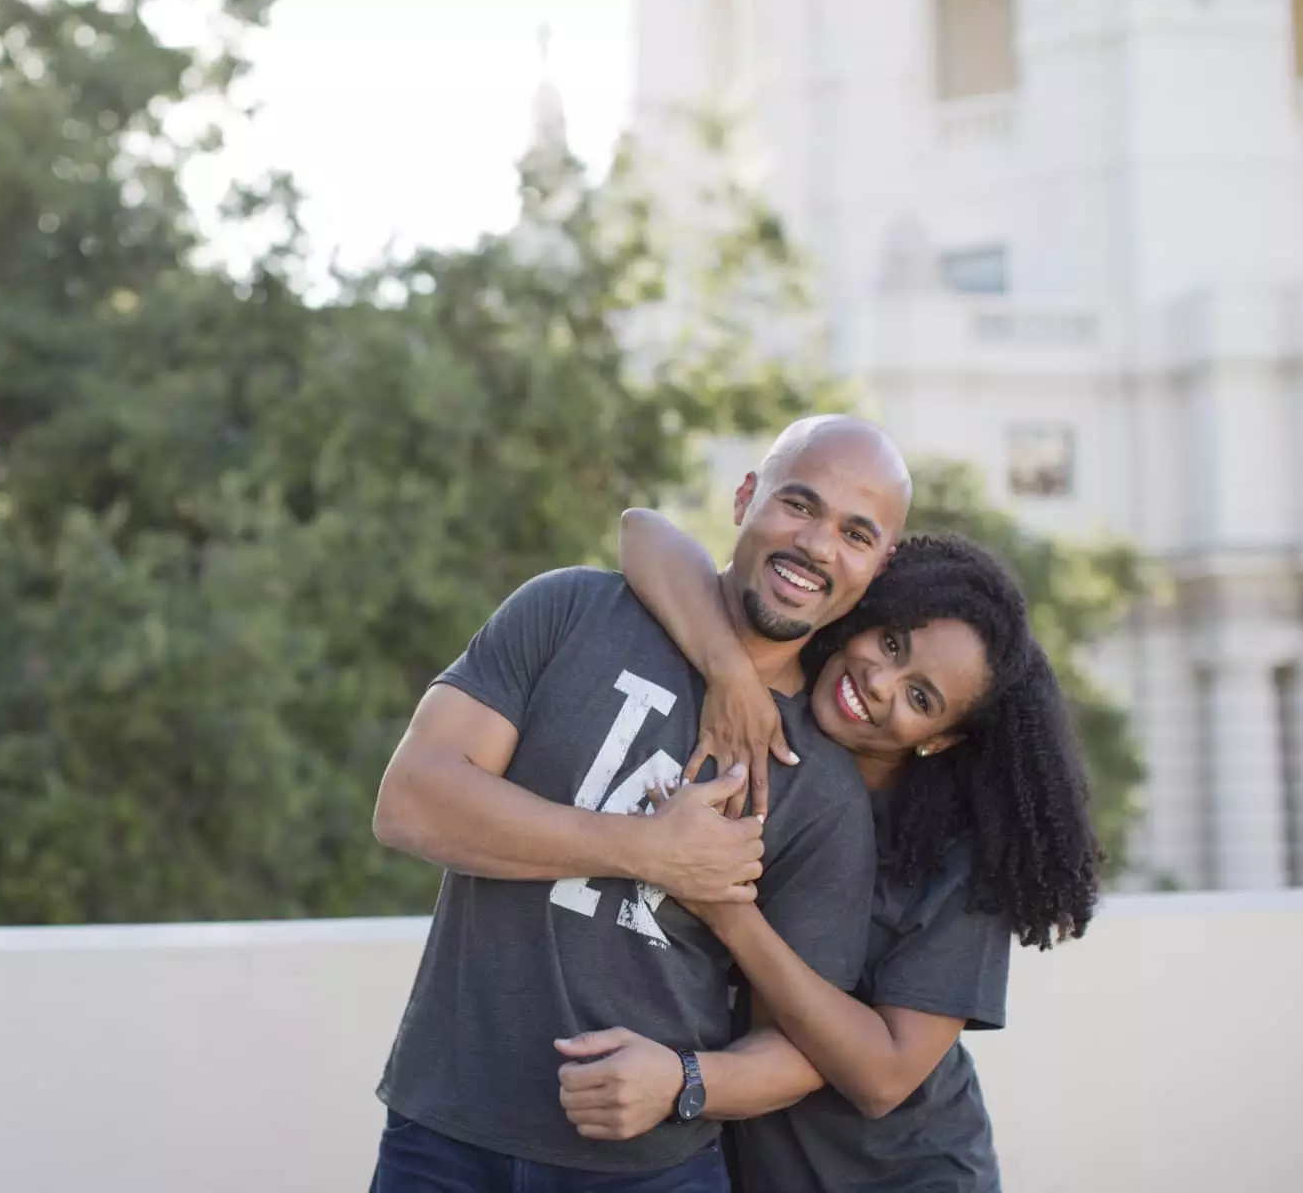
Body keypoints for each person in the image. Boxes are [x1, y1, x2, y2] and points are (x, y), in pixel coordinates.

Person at [368, 416, 913, 1191]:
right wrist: (649, 849)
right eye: (800, 505)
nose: (818, 546)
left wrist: (686, 1079)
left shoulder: (821, 784)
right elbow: (411, 803)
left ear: (877, 566)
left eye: (856, 534)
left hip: (647, 1172)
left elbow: (801, 1043)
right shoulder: (569, 612)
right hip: (442, 1138)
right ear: (745, 497)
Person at [557, 513, 1102, 1192]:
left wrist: (728, 910)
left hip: (900, 1176)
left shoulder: (959, 861)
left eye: (920, 697)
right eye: (893, 642)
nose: (880, 682)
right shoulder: (775, 707)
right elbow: (642, 535)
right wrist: (731, 676)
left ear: (940, 738)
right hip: (744, 1166)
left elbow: (884, 1077)